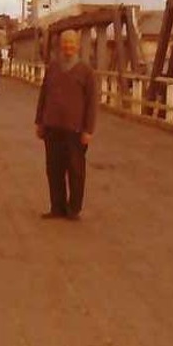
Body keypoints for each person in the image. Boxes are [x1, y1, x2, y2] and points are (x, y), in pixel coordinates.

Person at [35, 29, 97, 220]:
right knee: (54, 169)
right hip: (52, 126)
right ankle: (56, 207)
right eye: (65, 43)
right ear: (60, 45)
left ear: (77, 45)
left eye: (71, 43)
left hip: (75, 129)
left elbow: (92, 102)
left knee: (76, 170)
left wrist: (88, 129)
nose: (68, 46)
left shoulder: (86, 71)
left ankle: (73, 209)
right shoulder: (53, 67)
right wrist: (39, 121)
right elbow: (43, 95)